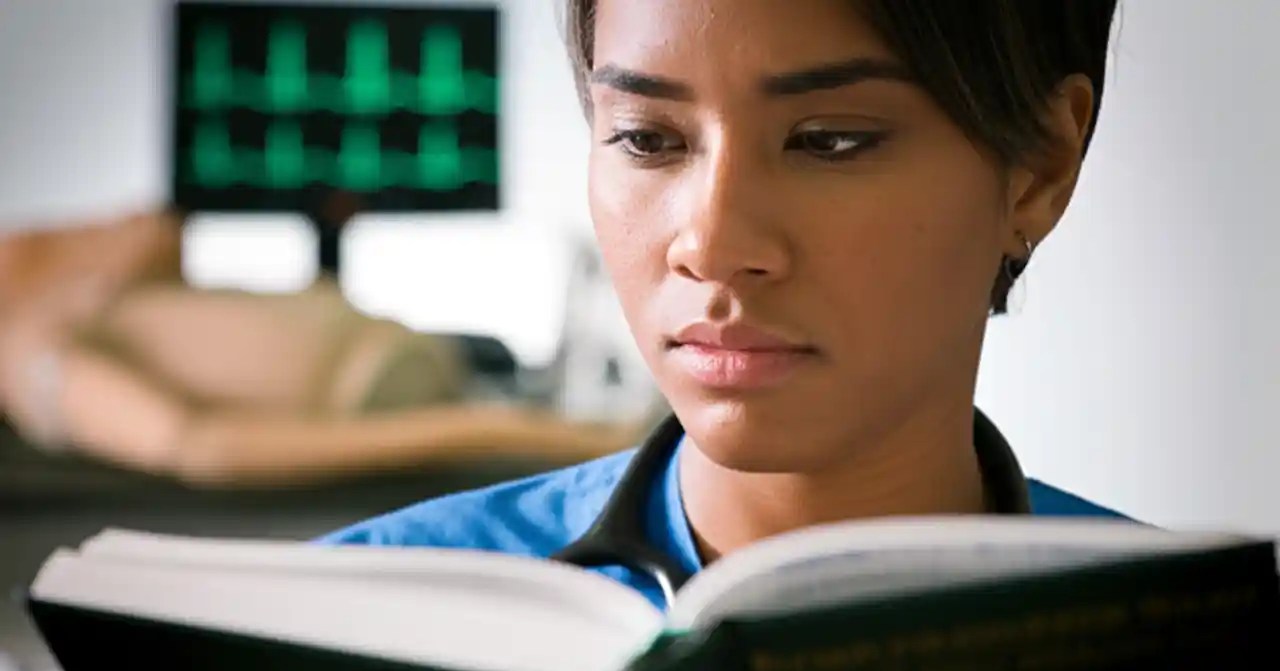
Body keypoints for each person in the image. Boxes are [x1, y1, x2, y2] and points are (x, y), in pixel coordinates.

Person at [319, 0, 1126, 608]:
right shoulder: (349, 622)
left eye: (828, 140)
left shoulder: (1191, 642)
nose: (709, 245)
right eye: (647, 138)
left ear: (1042, 170)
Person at [0, 211, 647, 485]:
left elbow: (156, 228)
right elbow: (202, 449)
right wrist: (498, 429)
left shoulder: (85, 297)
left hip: (431, 379)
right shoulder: (31, 356)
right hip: (405, 412)